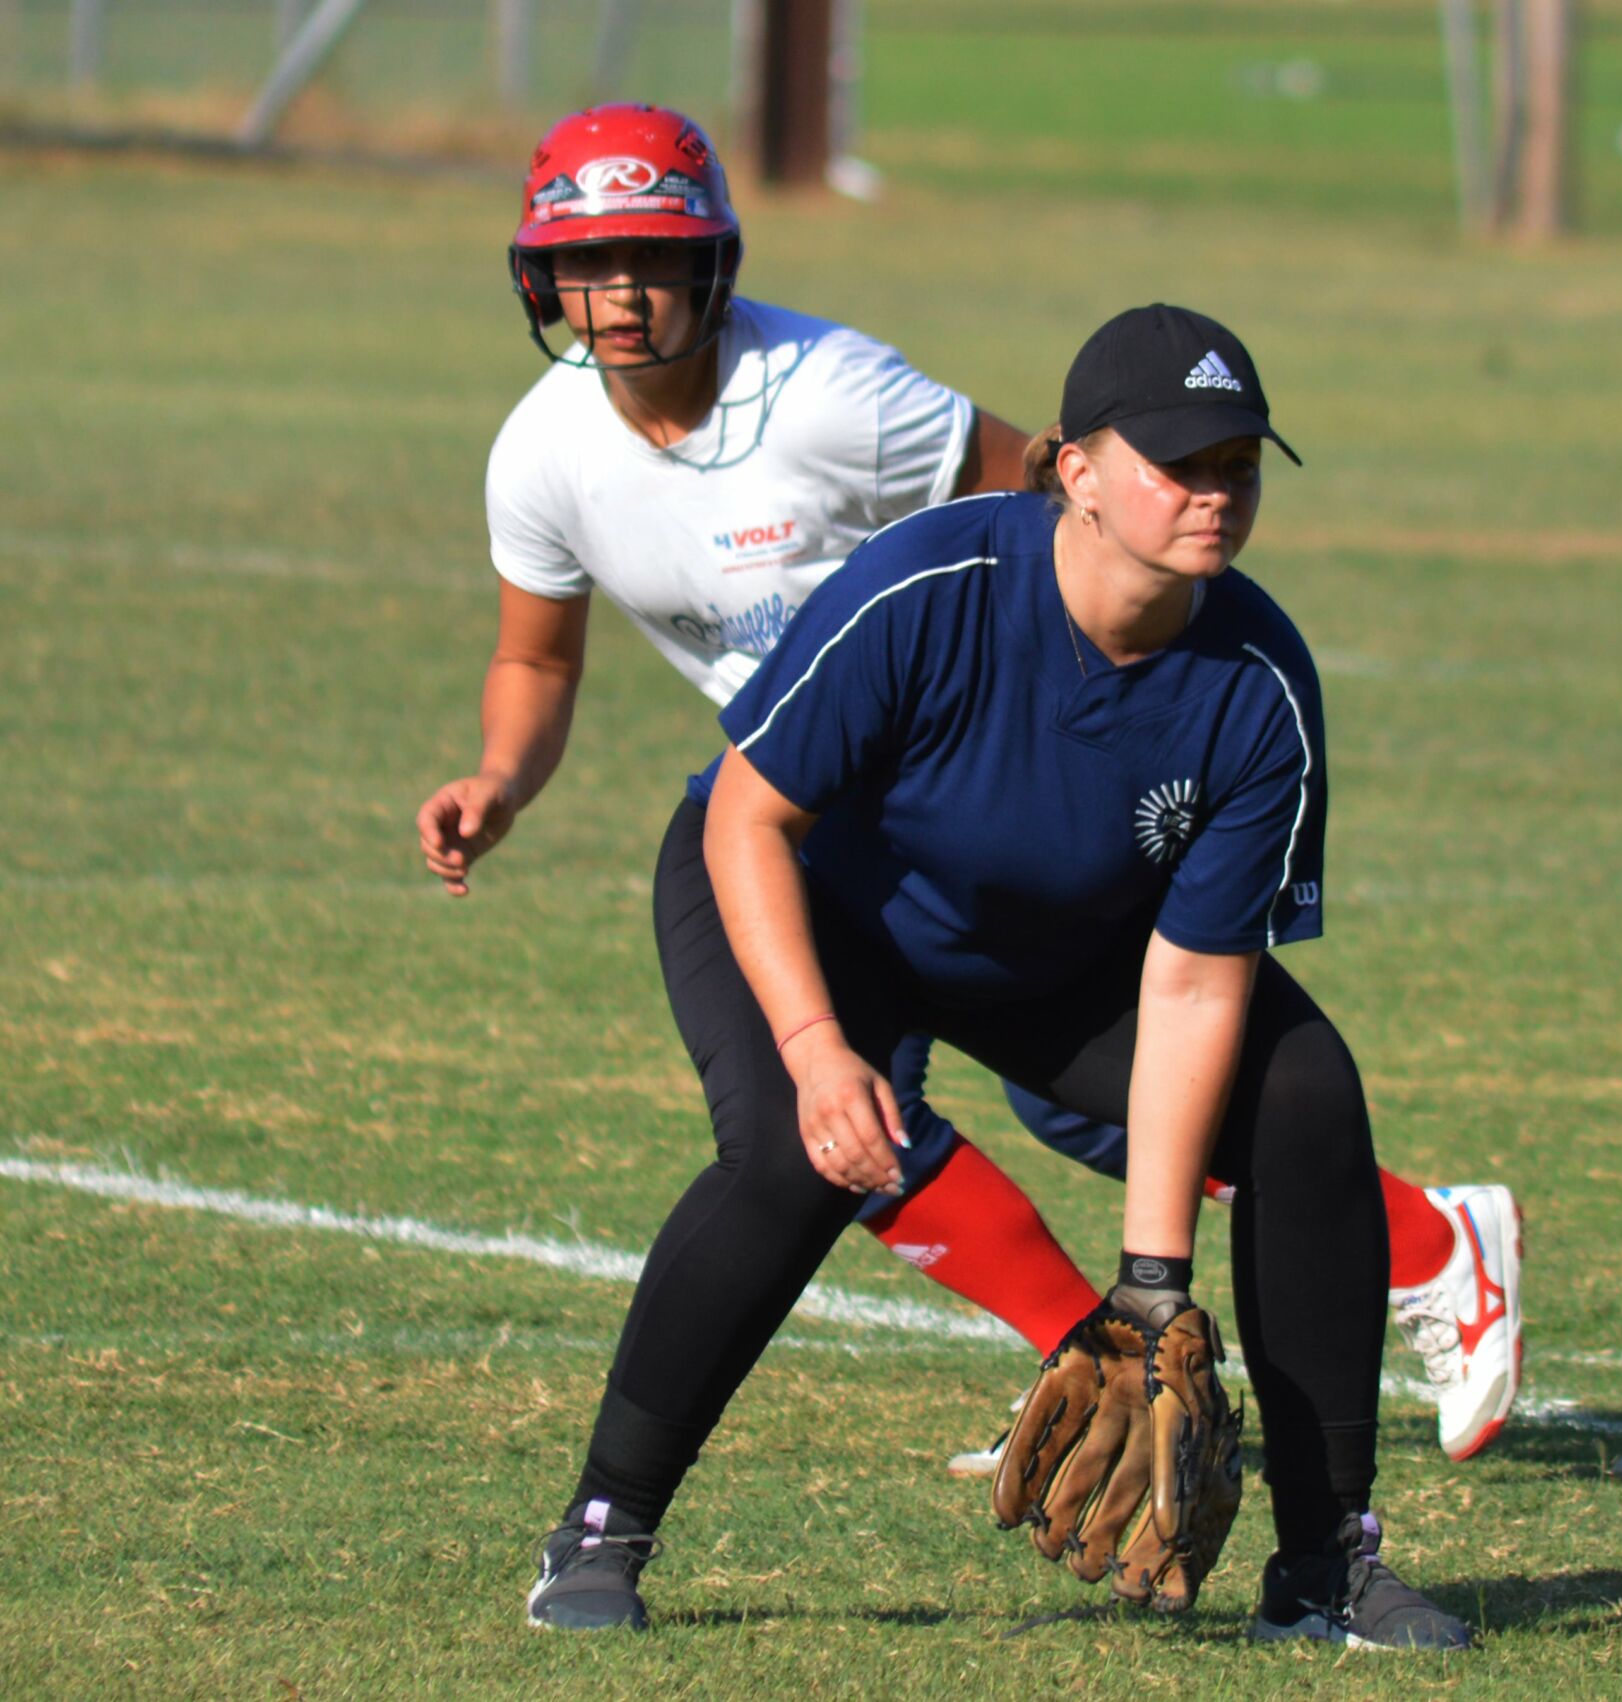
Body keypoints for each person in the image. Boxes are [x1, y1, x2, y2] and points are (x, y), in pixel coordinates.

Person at [421, 100, 1523, 1464]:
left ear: (717, 259)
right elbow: (537, 657)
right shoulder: (539, 453)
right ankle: (1100, 1358)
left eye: (654, 255)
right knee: (840, 1116)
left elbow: (1046, 491)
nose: (623, 292)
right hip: (819, 818)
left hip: (970, 779)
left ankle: (1417, 1247)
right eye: (588, 263)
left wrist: (1062, 693)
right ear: (540, 278)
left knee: (1101, 1090)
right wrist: (501, 778)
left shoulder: (829, 394)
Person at [526, 301, 1473, 1647]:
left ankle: (1328, 1564)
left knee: (1301, 1088)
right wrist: (812, 1047)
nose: (1215, 492)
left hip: (1048, 951)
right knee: (805, 1158)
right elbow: (748, 818)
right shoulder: (933, 585)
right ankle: (603, 1527)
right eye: (1178, 462)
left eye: (1239, 464)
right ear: (1075, 469)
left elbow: (1197, 985)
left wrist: (1151, 1287)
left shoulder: (1257, 683)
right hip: (814, 904)